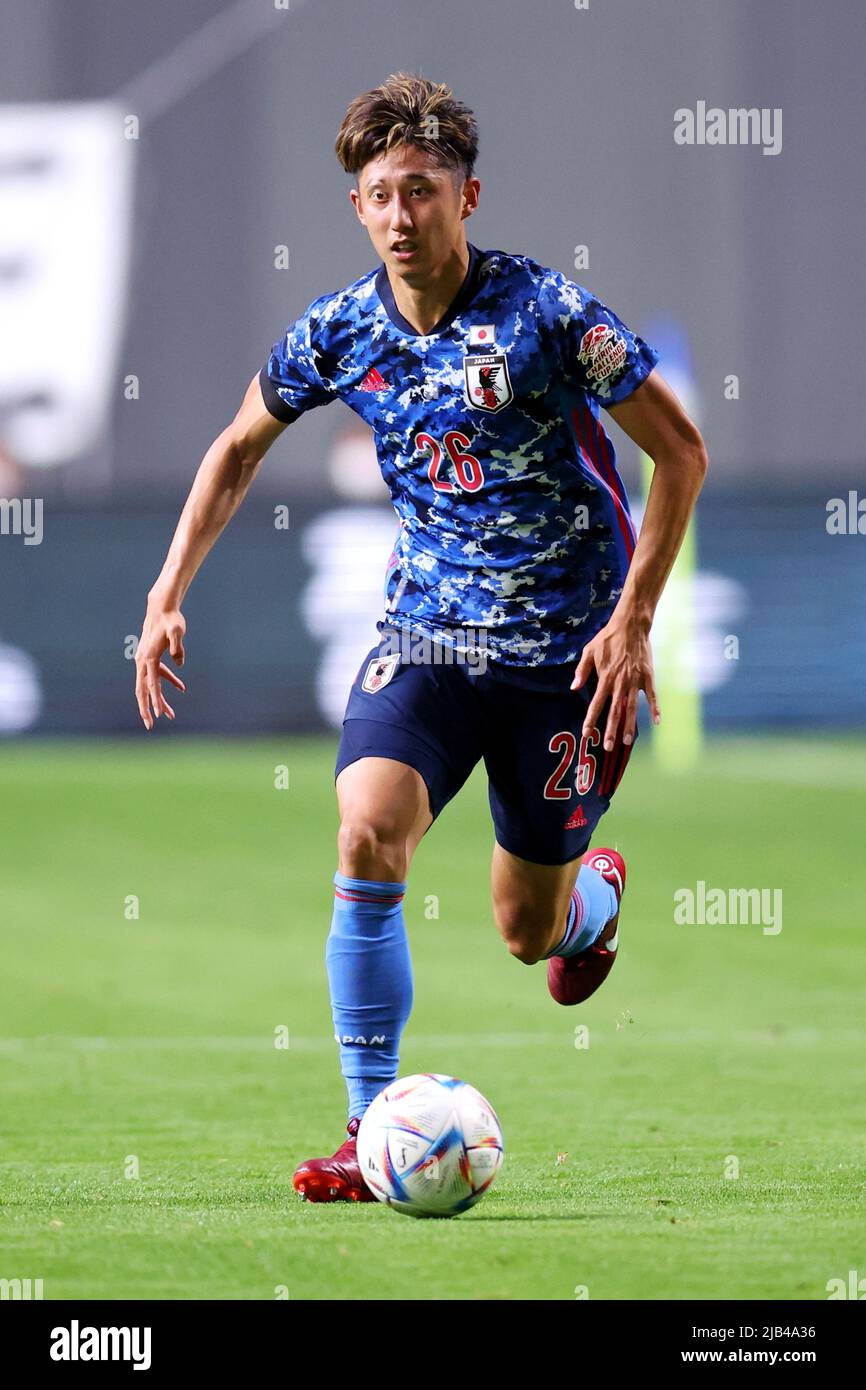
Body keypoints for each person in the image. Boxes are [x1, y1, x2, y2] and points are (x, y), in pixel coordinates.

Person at [134, 73, 708, 1204]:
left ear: (467, 196)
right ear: (356, 209)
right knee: (365, 836)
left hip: (564, 659)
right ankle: (364, 1128)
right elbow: (238, 447)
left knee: (521, 930)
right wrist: (164, 592)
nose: (402, 215)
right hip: (428, 639)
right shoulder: (341, 328)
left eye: (423, 191)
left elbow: (677, 452)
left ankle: (588, 900)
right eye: (380, 195)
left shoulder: (547, 315)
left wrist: (632, 616)